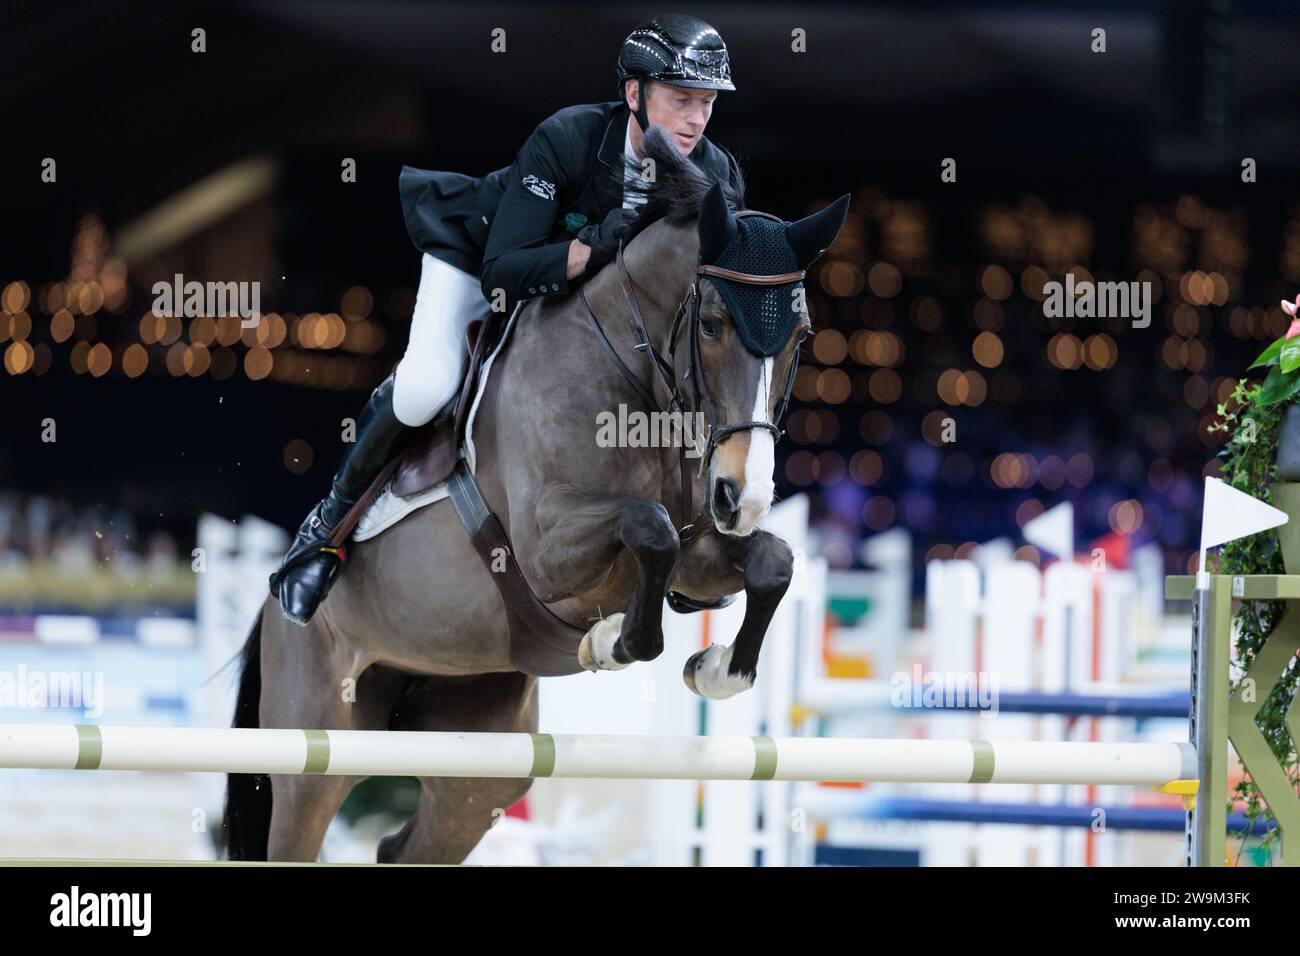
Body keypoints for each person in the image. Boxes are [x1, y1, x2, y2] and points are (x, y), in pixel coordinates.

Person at [270, 13, 743, 626]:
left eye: (707, 103)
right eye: (682, 99)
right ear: (634, 93)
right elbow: (505, 270)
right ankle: (324, 533)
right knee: (424, 387)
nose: (696, 119)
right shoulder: (569, 138)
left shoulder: (716, 173)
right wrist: (597, 245)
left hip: (584, 306)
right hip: (484, 259)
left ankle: (687, 545)